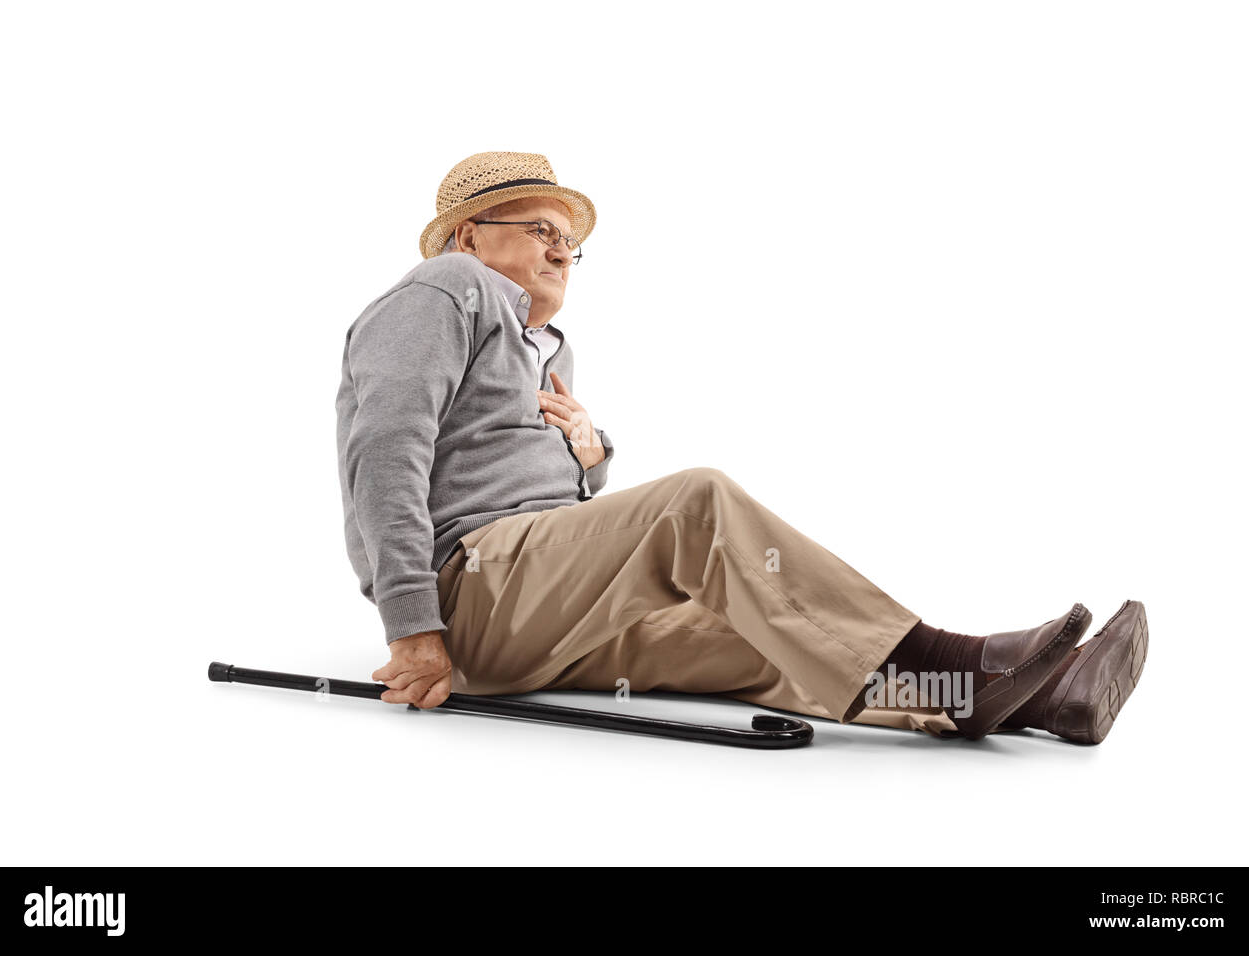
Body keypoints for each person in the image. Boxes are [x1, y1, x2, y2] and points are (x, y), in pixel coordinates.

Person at [335, 151, 1148, 745]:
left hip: (532, 616)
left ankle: (1032, 699)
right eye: (541, 230)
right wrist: (412, 623)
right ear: (470, 237)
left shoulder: (545, 348)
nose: (561, 252)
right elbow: (385, 449)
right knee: (698, 501)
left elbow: (542, 498)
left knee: (760, 629)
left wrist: (592, 455)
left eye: (569, 243)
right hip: (465, 595)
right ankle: (958, 658)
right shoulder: (446, 289)